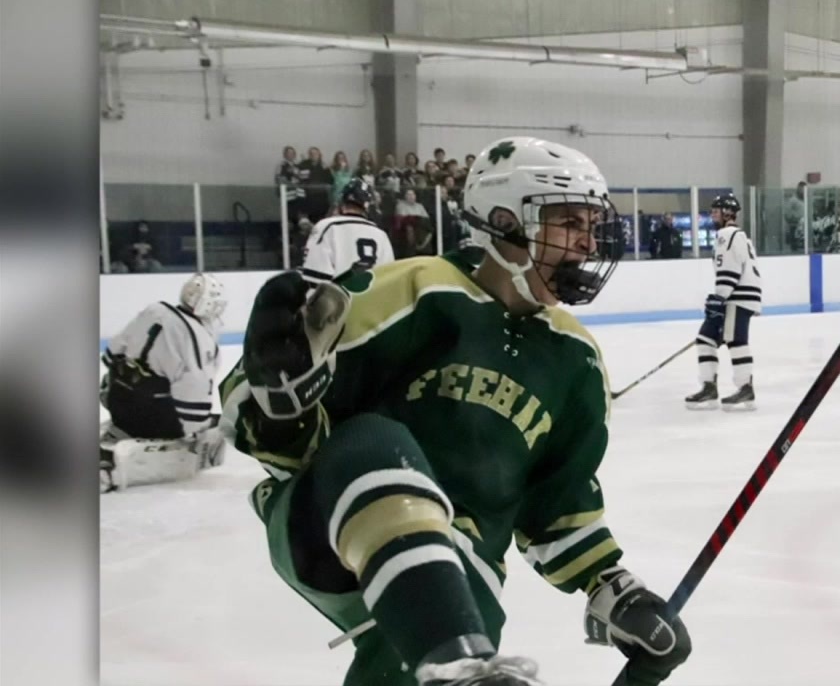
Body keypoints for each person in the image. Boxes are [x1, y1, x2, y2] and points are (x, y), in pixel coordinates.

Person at [218, 137, 691, 686]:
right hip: (334, 531)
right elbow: (260, 412)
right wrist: (284, 406)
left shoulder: (578, 361)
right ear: (503, 221)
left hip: (465, 586)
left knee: (427, 641)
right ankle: (455, 661)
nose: (587, 243)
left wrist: (615, 591)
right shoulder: (414, 291)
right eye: (568, 222)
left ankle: (456, 660)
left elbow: (556, 506)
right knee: (376, 438)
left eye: (591, 225)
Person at [99, 273, 228, 492]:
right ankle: (113, 470)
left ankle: (120, 430)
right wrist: (196, 434)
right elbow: (194, 393)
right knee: (212, 431)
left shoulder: (154, 310)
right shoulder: (200, 337)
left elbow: (111, 354)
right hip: (152, 416)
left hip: (118, 401)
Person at [685, 193, 762, 410]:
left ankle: (746, 387)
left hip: (737, 297)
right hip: (739, 295)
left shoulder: (727, 234)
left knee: (736, 340)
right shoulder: (738, 235)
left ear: (727, 213)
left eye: (715, 211)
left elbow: (729, 268)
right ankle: (709, 387)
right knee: (705, 338)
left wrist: (720, 297)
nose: (712, 215)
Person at [300, 179, 395, 283]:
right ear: (368, 206)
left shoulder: (326, 226)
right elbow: (388, 278)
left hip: (337, 297)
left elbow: (315, 277)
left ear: (342, 201)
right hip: (371, 297)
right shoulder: (381, 234)